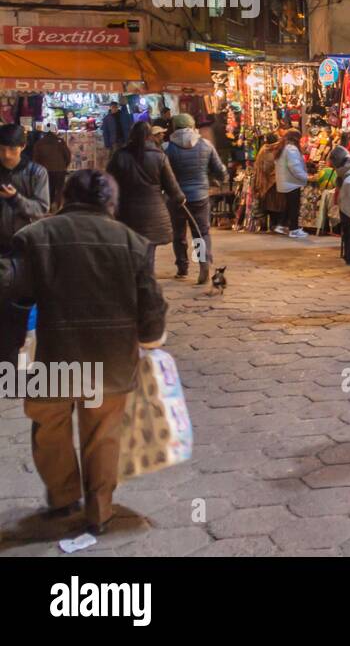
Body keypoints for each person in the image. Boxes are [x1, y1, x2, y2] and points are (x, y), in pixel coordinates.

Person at [0, 169, 167, 535]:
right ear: (109, 202)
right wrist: (151, 338)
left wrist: (9, 355)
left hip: (54, 356)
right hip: (110, 360)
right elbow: (151, 304)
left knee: (49, 427)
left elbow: (13, 296)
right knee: (103, 433)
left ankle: (62, 498)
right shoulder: (133, 242)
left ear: (64, 196)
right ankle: (99, 511)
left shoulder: (35, 237)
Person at [0, 124, 50, 369]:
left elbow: (41, 209)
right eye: (2, 149)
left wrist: (15, 199)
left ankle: (23, 358)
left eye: (11, 149)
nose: (6, 154)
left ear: (22, 147)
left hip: (25, 250)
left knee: (24, 305)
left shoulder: (36, 172)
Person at [108, 120, 185, 272]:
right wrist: (180, 198)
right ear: (149, 136)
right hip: (153, 213)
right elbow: (171, 186)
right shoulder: (159, 157)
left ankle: (133, 281)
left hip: (127, 211)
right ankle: (146, 282)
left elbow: (108, 182)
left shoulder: (120, 156)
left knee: (130, 249)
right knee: (149, 251)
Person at [164, 113, 227, 284]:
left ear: (175, 128)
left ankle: (182, 268)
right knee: (201, 232)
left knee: (179, 234)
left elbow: (162, 174)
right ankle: (203, 262)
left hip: (176, 198)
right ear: (192, 127)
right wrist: (221, 179)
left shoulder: (167, 148)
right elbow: (219, 169)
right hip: (200, 196)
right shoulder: (205, 145)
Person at [273, 129, 315, 238]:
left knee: (289, 205)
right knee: (293, 206)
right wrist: (306, 177)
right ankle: (294, 229)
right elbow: (295, 167)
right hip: (291, 182)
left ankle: (282, 225)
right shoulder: (291, 149)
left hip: (286, 182)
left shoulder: (283, 148)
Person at [30, 127, 71, 211]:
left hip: (45, 170)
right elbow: (67, 155)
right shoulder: (60, 142)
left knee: (48, 189)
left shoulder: (39, 143)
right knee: (59, 189)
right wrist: (64, 166)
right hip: (60, 170)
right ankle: (57, 205)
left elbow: (35, 159)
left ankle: (48, 206)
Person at [250, 132, 280, 232]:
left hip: (263, 182)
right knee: (274, 205)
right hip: (274, 182)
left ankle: (264, 226)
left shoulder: (263, 150)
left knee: (265, 204)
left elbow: (259, 166)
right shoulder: (276, 150)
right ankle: (273, 225)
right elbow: (269, 166)